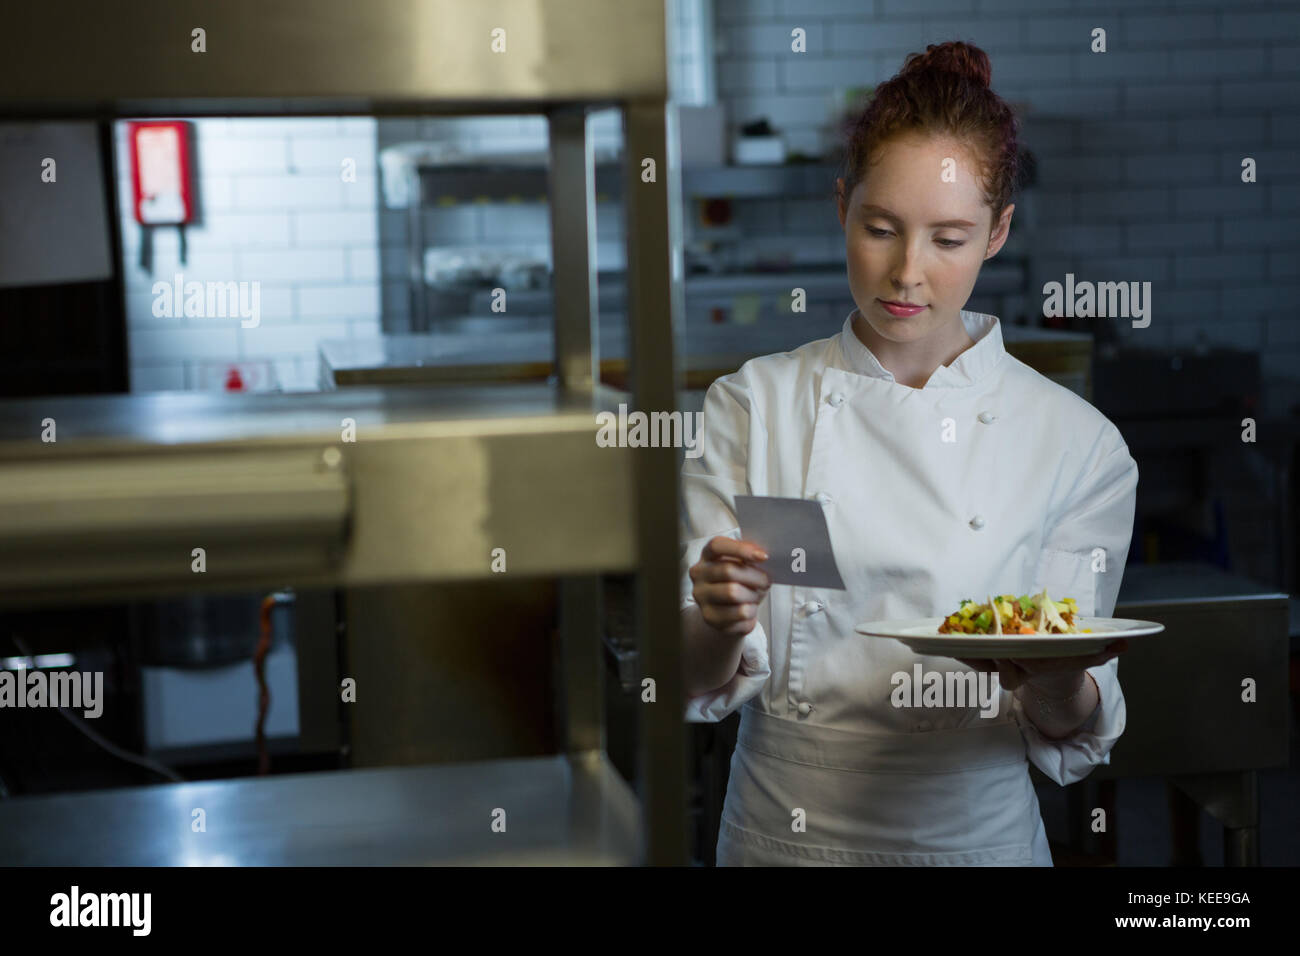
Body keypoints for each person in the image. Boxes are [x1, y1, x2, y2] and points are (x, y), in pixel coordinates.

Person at [680, 40, 1138, 866]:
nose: (907, 273)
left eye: (949, 239)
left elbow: (1072, 728)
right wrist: (716, 617)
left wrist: (1061, 674)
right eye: (880, 228)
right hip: (788, 830)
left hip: (975, 836)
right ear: (841, 206)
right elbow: (688, 677)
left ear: (999, 232)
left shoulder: (1078, 445)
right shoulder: (754, 406)